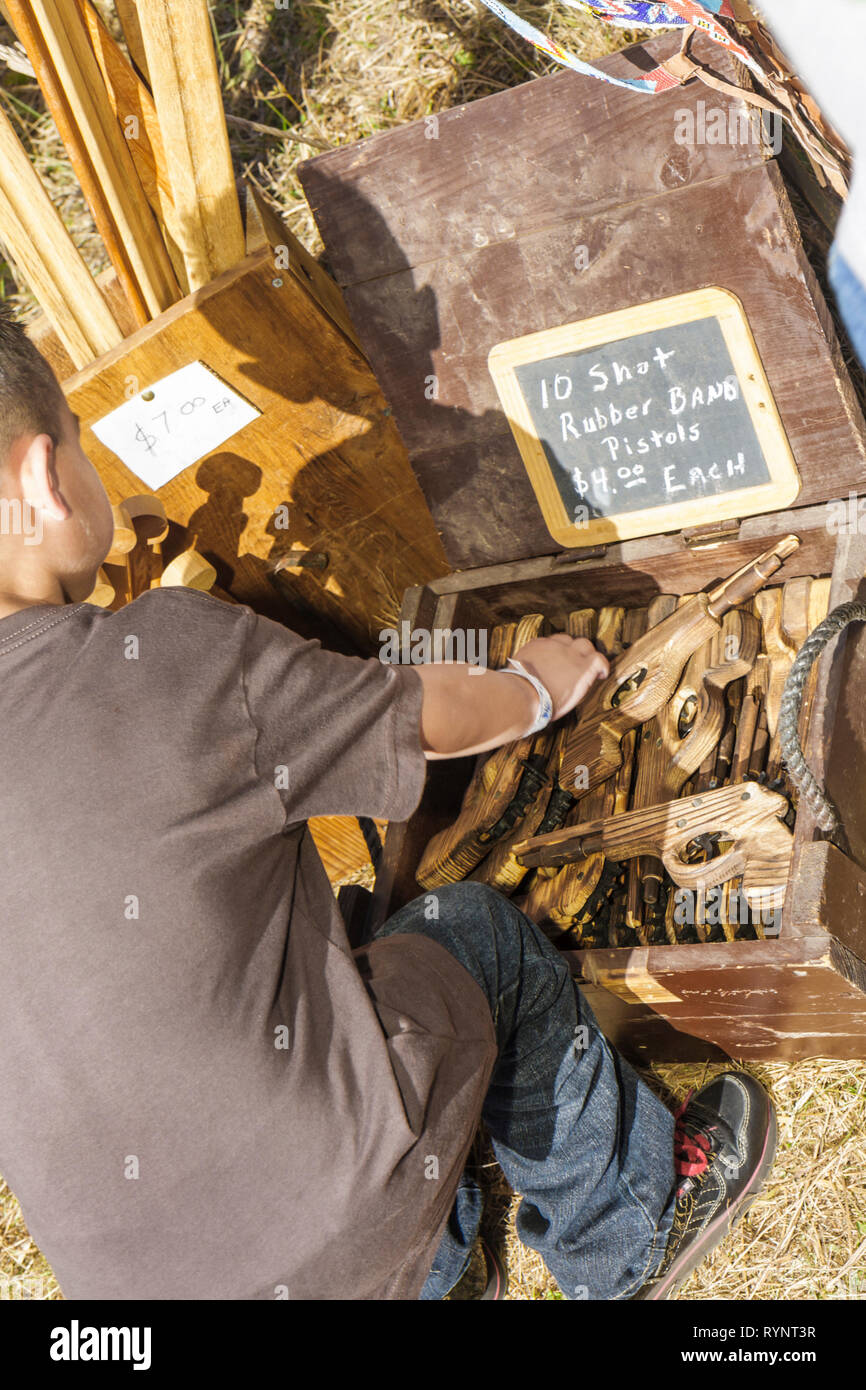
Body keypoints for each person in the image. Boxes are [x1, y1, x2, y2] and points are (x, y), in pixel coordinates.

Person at [0, 305, 775, 1301]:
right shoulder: (164, 653)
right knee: (471, 934)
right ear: (40, 476)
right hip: (328, 1211)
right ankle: (627, 1224)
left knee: (354, 937)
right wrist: (533, 685)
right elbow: (435, 718)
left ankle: (433, 1273)